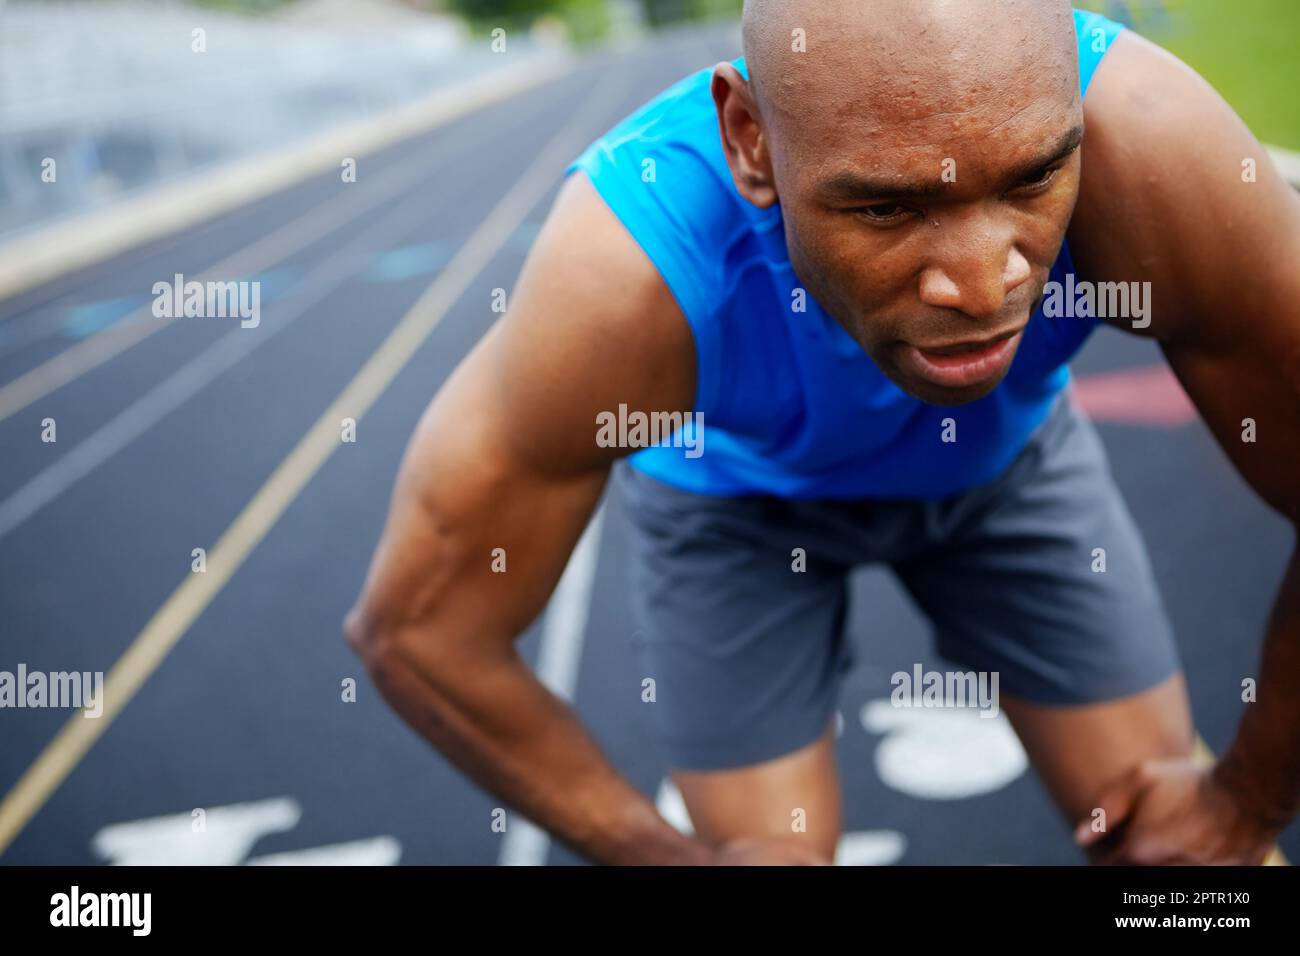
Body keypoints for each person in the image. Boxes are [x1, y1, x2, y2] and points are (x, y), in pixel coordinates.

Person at [345, 0, 1300, 865]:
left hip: (1006, 466)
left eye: (1033, 177)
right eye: (887, 205)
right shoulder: (625, 279)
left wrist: (1246, 805)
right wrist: (664, 861)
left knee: (1179, 862)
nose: (976, 286)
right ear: (750, 140)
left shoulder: (1155, 151)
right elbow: (420, 632)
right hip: (735, 508)